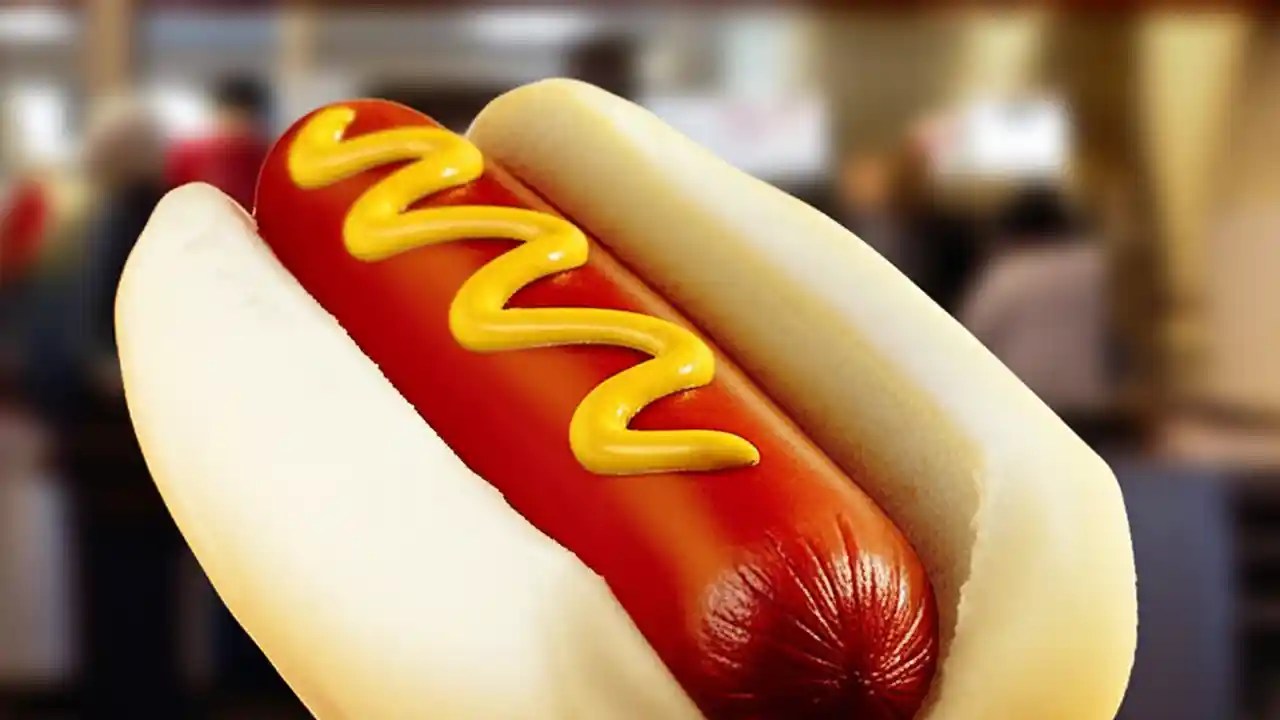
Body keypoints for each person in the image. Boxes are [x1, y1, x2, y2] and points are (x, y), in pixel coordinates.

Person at [958, 185, 1117, 442]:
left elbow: (968, 344)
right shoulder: (1099, 268)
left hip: (1023, 413)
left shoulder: (1006, 273)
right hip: (1095, 416)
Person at [164, 76, 270, 208]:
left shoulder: (265, 156)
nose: (237, 125)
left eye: (243, 118)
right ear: (219, 113)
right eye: (232, 116)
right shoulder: (189, 155)